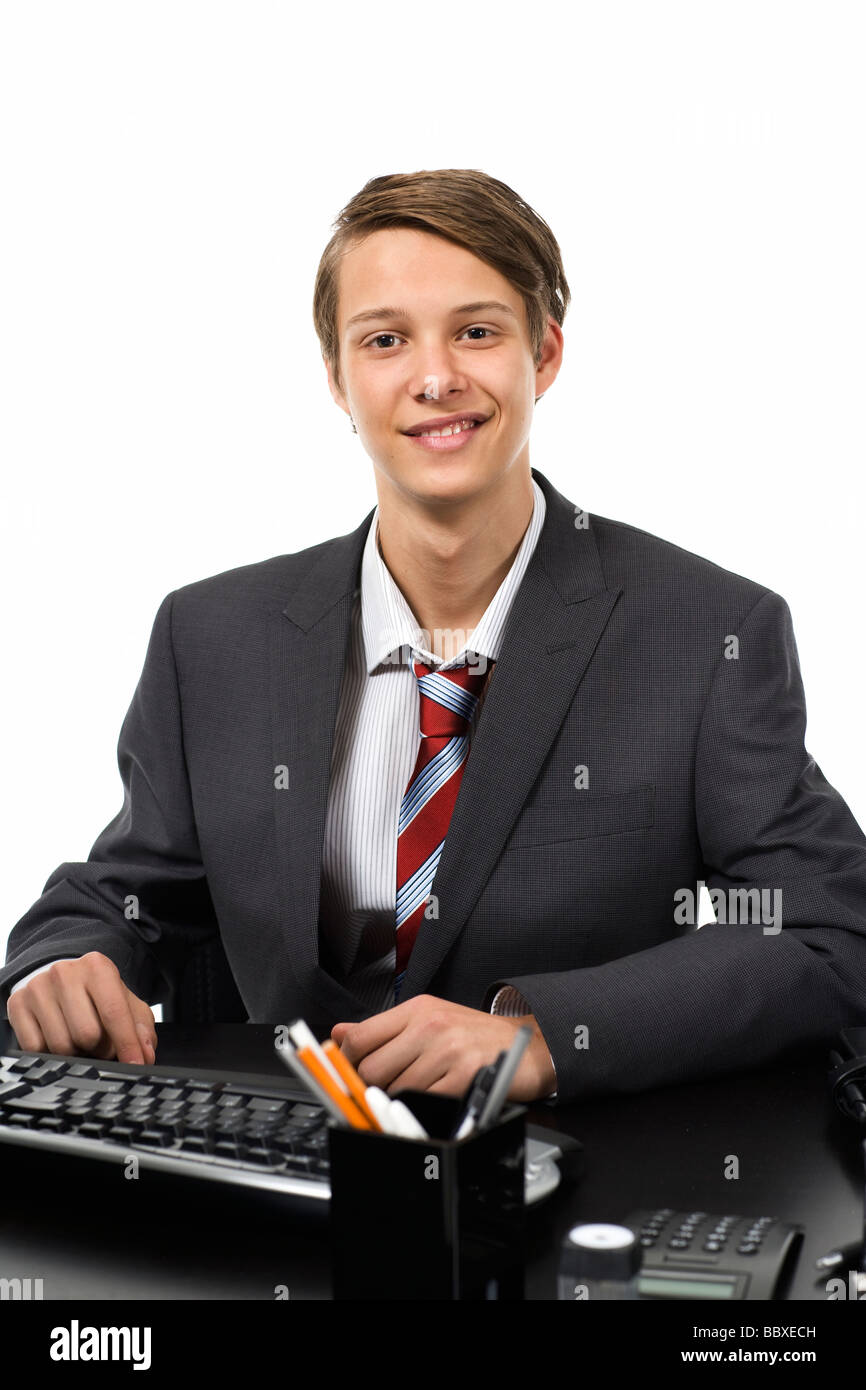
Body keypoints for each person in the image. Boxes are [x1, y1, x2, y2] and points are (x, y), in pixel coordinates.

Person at [4, 169, 866, 1107]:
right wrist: (65, 958)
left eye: (477, 332)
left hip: (580, 1194)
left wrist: (544, 1036)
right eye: (385, 339)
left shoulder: (709, 633)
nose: (434, 377)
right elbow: (130, 895)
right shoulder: (210, 635)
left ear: (544, 355)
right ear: (338, 376)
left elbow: (824, 932)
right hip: (275, 1193)